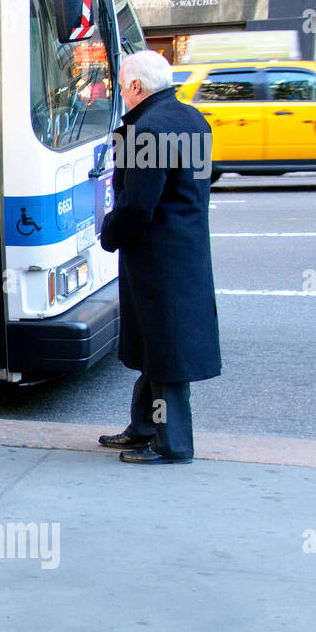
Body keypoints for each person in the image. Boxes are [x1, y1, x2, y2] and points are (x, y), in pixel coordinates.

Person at [99, 50, 221, 464]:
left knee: (165, 350)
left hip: (157, 257)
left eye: (121, 83)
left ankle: (173, 445)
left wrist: (108, 233)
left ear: (135, 87)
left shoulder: (145, 131)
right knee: (157, 344)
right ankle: (144, 427)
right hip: (185, 249)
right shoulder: (192, 119)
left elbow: (137, 207)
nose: (120, 90)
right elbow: (197, 189)